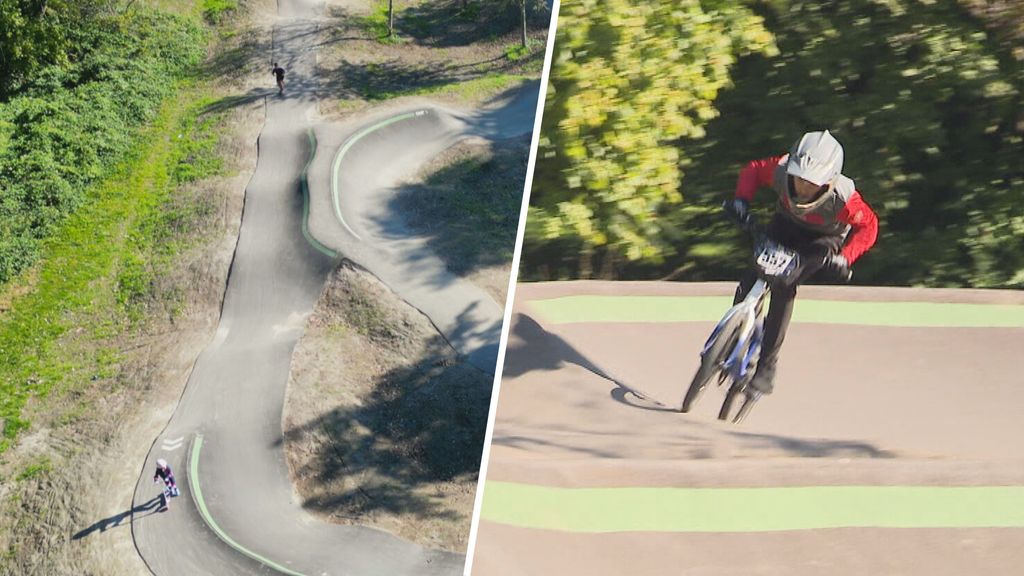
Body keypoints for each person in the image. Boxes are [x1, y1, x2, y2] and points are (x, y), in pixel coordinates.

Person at [725, 130, 878, 395]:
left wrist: (845, 257)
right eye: (799, 178)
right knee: (754, 272)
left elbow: (869, 226)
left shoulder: (844, 200)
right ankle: (735, 335)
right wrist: (741, 200)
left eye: (812, 182)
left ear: (829, 181)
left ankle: (767, 368)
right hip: (785, 226)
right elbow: (753, 170)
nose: (804, 187)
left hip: (822, 240)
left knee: (784, 285)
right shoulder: (781, 170)